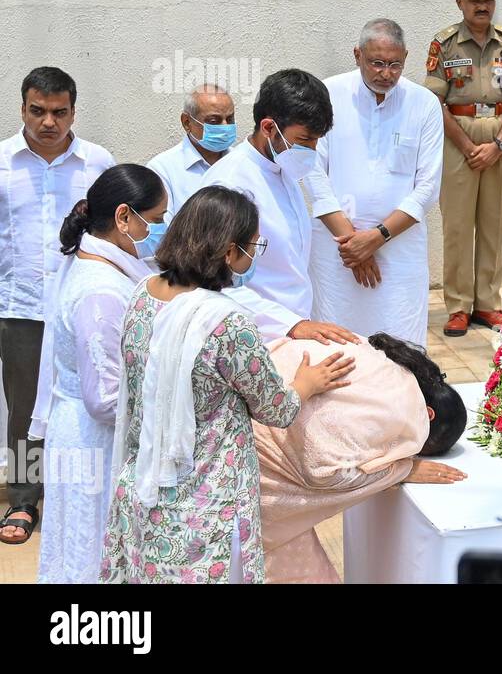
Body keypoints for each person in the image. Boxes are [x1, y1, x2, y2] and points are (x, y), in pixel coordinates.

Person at [101, 186, 354, 583]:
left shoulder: (141, 296)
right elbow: (276, 408)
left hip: (147, 489)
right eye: (252, 247)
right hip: (208, 505)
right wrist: (306, 383)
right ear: (228, 252)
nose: (253, 256)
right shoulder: (226, 323)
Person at [32, 165, 165, 583]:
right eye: (156, 220)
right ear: (125, 217)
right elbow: (106, 399)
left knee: (89, 541)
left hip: (90, 434)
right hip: (96, 440)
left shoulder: (100, 262)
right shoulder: (101, 291)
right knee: (94, 547)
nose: (161, 230)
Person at [0, 67, 114, 547]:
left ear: (73, 110)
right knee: (25, 409)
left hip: (80, 306)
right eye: (38, 111)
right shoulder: (2, 162)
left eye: (59, 112)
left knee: (88, 403)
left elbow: (114, 229)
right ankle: (24, 500)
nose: (49, 122)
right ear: (22, 108)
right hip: (19, 306)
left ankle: (85, 494)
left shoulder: (97, 163)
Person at [256, 332, 467, 583]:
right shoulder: (402, 407)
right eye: (416, 447)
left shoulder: (386, 363)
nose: (403, 451)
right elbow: (323, 472)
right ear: (428, 414)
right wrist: (402, 470)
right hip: (251, 460)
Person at [306, 20, 443, 345]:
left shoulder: (424, 103)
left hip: (399, 249)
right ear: (357, 55)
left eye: (395, 64)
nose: (386, 73)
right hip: (337, 249)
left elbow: (427, 188)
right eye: (377, 63)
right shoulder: (328, 94)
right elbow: (312, 174)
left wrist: (377, 238)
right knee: (337, 344)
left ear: (406, 58)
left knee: (401, 346)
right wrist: (353, 243)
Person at [202, 69, 355, 345]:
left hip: (293, 329)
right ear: (269, 128)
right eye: (304, 141)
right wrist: (291, 324)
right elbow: (215, 282)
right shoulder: (230, 183)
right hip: (253, 337)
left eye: (317, 141)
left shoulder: (284, 167)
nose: (311, 151)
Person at [424, 0, 502, 336]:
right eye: (475, 1)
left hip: (499, 136)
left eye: (488, 0)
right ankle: (457, 305)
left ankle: (487, 303)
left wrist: (500, 144)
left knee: (493, 223)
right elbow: (433, 102)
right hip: (459, 138)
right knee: (457, 225)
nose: (482, 7)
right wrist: (470, 146)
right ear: (460, 3)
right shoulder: (444, 44)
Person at [147, 84, 238, 220]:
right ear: (187, 122)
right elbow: (163, 229)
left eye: (230, 119)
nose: (225, 127)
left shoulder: (241, 162)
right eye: (214, 121)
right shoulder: (163, 169)